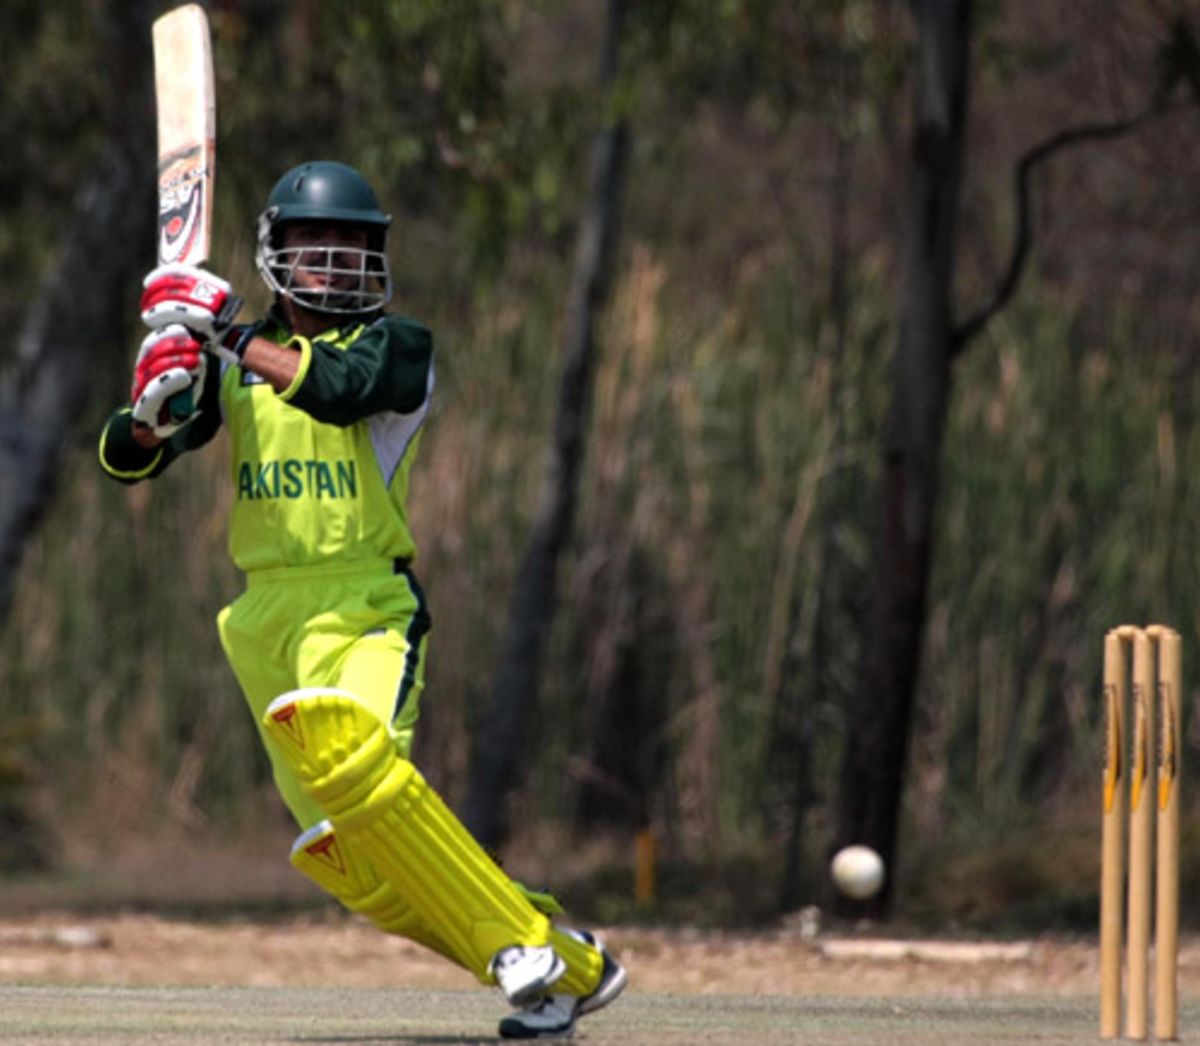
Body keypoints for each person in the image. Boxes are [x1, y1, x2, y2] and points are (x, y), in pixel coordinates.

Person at [99, 160, 626, 1039]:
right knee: (360, 868)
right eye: (314, 246)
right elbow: (129, 460)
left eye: (351, 246)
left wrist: (221, 328)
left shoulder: (397, 349)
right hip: (264, 619)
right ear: (276, 254)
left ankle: (510, 947)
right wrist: (152, 412)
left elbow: (335, 390)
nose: (335, 262)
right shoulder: (234, 367)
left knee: (359, 764)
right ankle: (569, 968)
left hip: (366, 608)